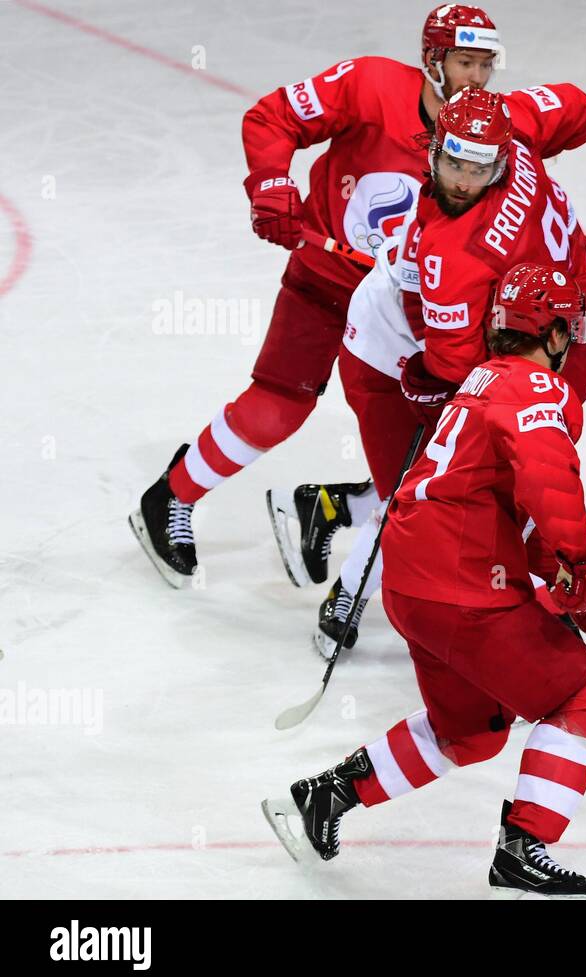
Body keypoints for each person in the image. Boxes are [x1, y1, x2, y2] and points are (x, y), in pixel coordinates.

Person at [263, 263, 586, 899]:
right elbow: (547, 486)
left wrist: (575, 578)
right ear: (551, 332)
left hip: (413, 586)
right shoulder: (537, 393)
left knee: (470, 732)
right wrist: (583, 568)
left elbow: (515, 511)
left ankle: (324, 797)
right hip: (465, 588)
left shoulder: (481, 381)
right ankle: (526, 846)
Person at [129, 5, 504, 587]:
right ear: (433, 61)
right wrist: (271, 185)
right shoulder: (371, 84)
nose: (476, 78)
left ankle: (326, 509)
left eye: (486, 64)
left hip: (412, 313)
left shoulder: (491, 133)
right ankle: (170, 496)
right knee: (278, 403)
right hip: (327, 280)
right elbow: (271, 117)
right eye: (464, 61)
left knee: (432, 450)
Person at [300, 86, 586, 654]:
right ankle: (349, 592)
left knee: (478, 482)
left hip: (461, 340)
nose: (461, 179)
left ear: (505, 156)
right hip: (388, 355)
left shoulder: (509, 143)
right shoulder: (452, 253)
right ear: (434, 148)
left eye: (477, 165)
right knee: (421, 492)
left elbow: (566, 250)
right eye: (453, 161)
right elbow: (455, 365)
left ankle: (336, 506)